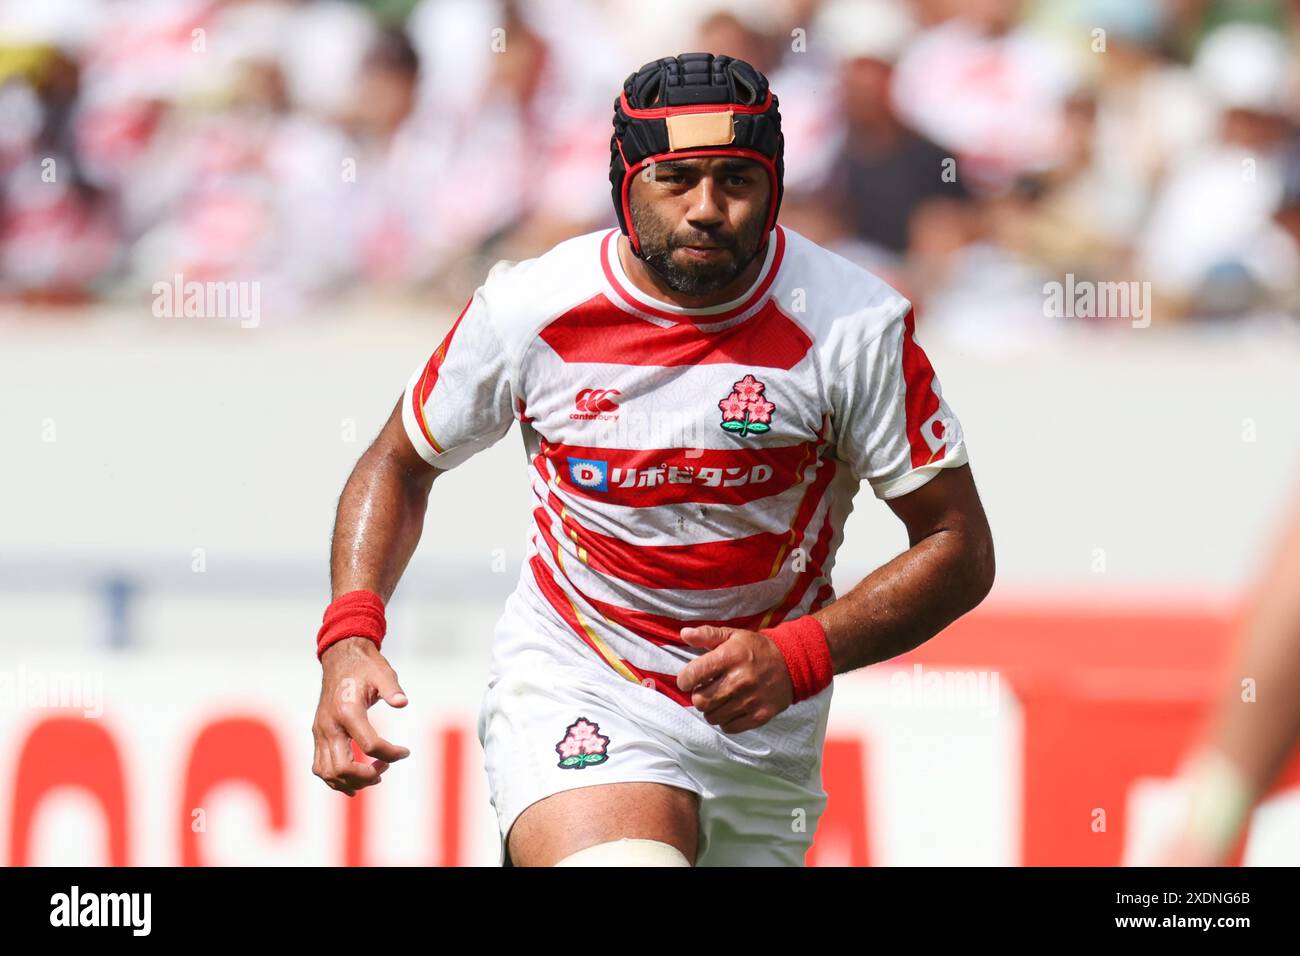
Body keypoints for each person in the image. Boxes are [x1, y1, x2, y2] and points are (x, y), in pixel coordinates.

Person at [310, 53, 995, 866]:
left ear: (774, 187)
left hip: (761, 728)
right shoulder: (532, 308)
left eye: (737, 181)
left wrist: (799, 654)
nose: (707, 209)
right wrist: (350, 633)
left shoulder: (854, 325)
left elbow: (959, 548)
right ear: (625, 185)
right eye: (678, 180)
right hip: (579, 679)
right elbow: (398, 463)